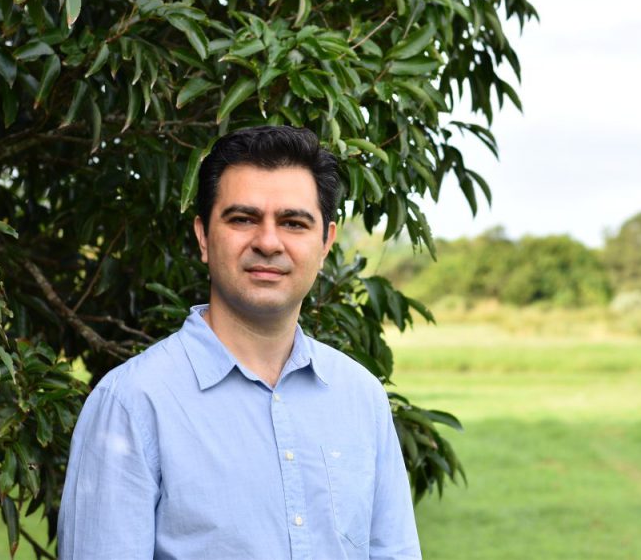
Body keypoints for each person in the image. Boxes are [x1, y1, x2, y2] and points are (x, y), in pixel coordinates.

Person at [57, 126, 421, 559]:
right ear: (203, 237)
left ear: (325, 243)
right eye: (243, 219)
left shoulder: (361, 397)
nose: (268, 242)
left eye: (293, 222)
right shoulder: (132, 404)